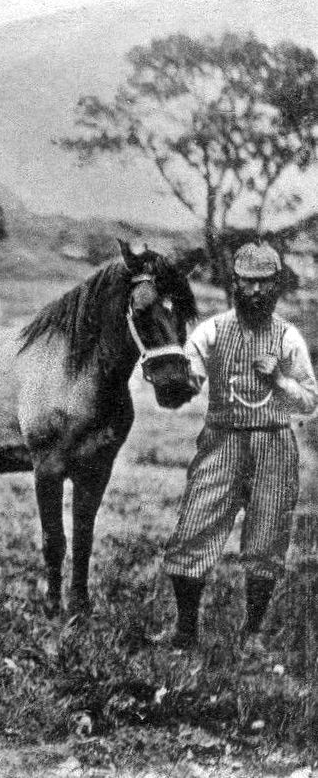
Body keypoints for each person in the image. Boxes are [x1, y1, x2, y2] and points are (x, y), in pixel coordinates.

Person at [164, 242, 318, 650]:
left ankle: (252, 634)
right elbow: (190, 374)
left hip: (274, 445)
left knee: (267, 538)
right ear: (234, 284)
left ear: (277, 286)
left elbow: (309, 400)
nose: (254, 292)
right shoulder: (211, 330)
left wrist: (279, 381)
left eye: (264, 284)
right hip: (222, 442)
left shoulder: (288, 337)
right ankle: (185, 631)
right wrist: (180, 380)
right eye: (246, 283)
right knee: (193, 528)